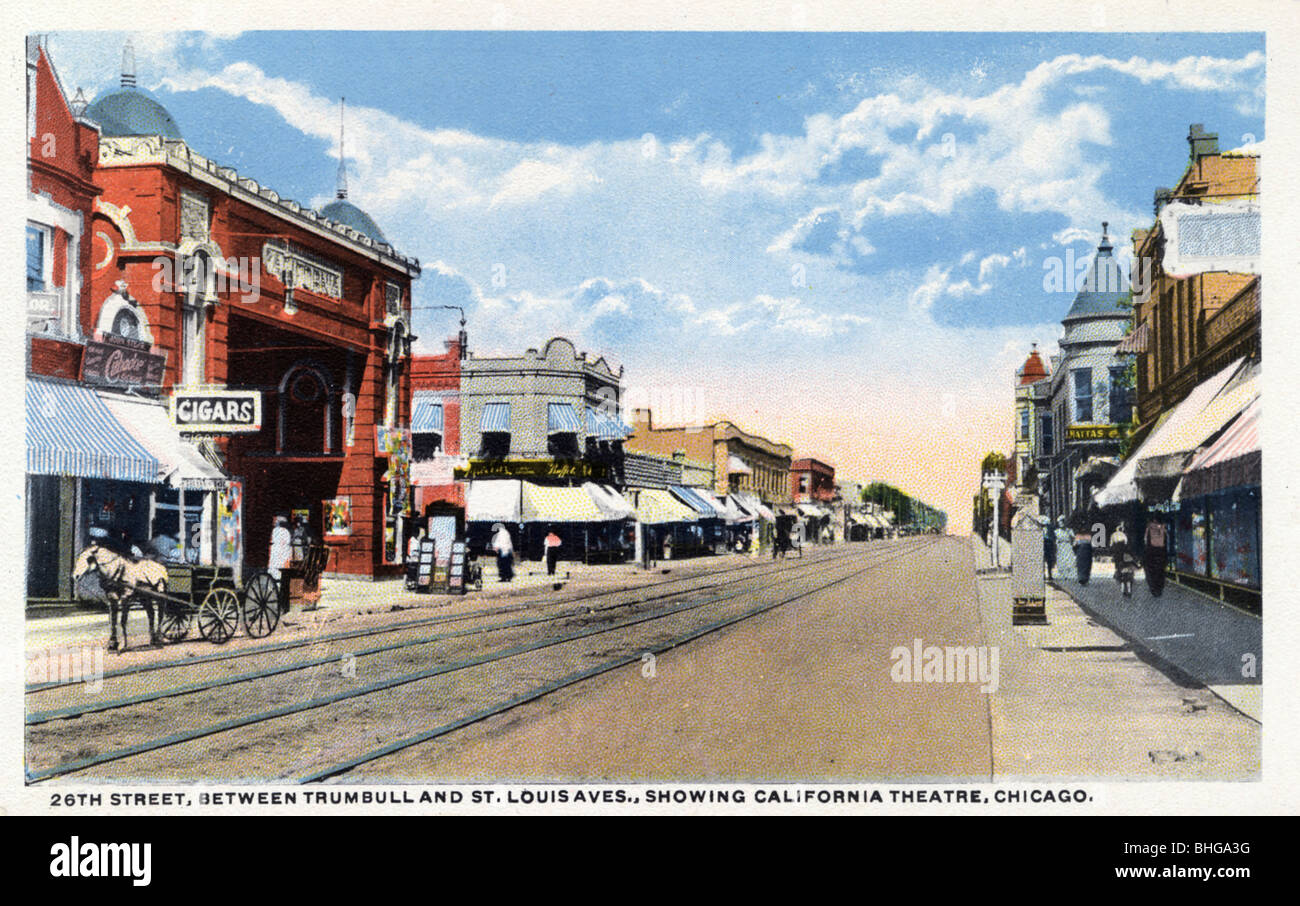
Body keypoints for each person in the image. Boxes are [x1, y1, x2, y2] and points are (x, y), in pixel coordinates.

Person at [1143, 516, 1169, 597]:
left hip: (1151, 551)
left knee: (1150, 571)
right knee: (1161, 571)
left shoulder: (1149, 527)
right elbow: (1167, 539)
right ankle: (1159, 588)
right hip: (1161, 551)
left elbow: (1145, 540)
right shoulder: (1163, 527)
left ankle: (1154, 589)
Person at [1112, 522, 1134, 597]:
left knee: (1118, 565)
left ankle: (1118, 574)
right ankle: (1128, 590)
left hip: (1117, 553)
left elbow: (1111, 544)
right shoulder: (1124, 535)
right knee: (1128, 576)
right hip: (1124, 556)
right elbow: (1126, 543)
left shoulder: (1114, 535)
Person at [268, 515, 292, 581]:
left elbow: (271, 542)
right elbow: (288, 545)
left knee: (274, 570)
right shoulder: (287, 532)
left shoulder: (275, 531)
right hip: (283, 554)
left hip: (275, 554)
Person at [1053, 516, 1076, 581]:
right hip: (1060, 546)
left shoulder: (1069, 530)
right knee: (1061, 559)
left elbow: (1074, 538)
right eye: (1060, 523)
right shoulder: (1056, 531)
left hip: (1067, 545)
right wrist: (1056, 544)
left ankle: (1069, 575)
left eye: (1062, 522)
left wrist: (1073, 544)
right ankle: (1062, 575)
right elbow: (1055, 539)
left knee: (1068, 559)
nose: (1061, 524)